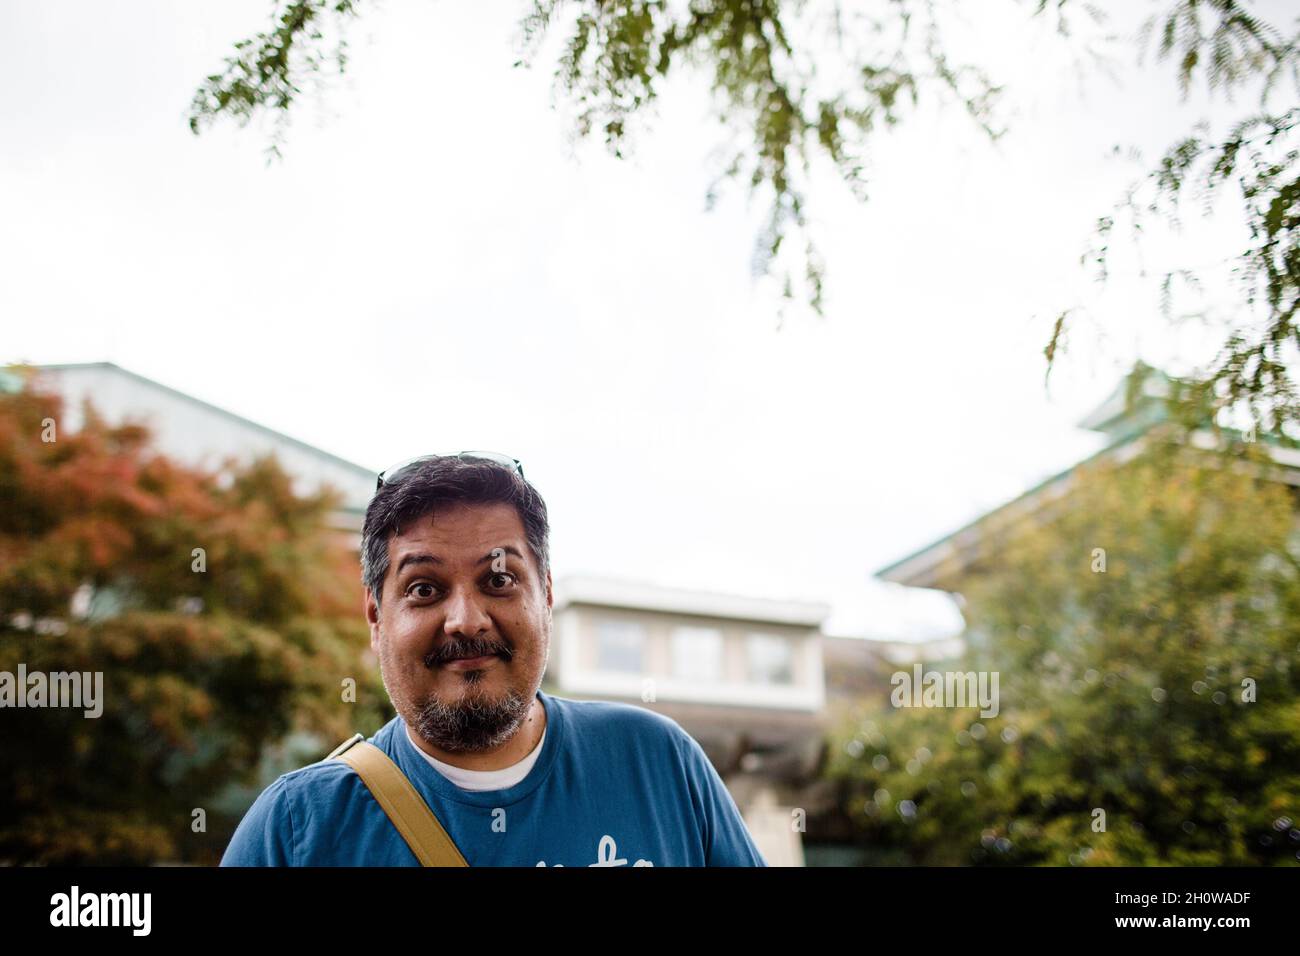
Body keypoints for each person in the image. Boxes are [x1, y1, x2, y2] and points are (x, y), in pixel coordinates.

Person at [221, 452, 767, 866]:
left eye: (499, 579)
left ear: (546, 597)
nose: (466, 619)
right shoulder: (296, 831)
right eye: (424, 589)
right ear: (375, 618)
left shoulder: (660, 764)